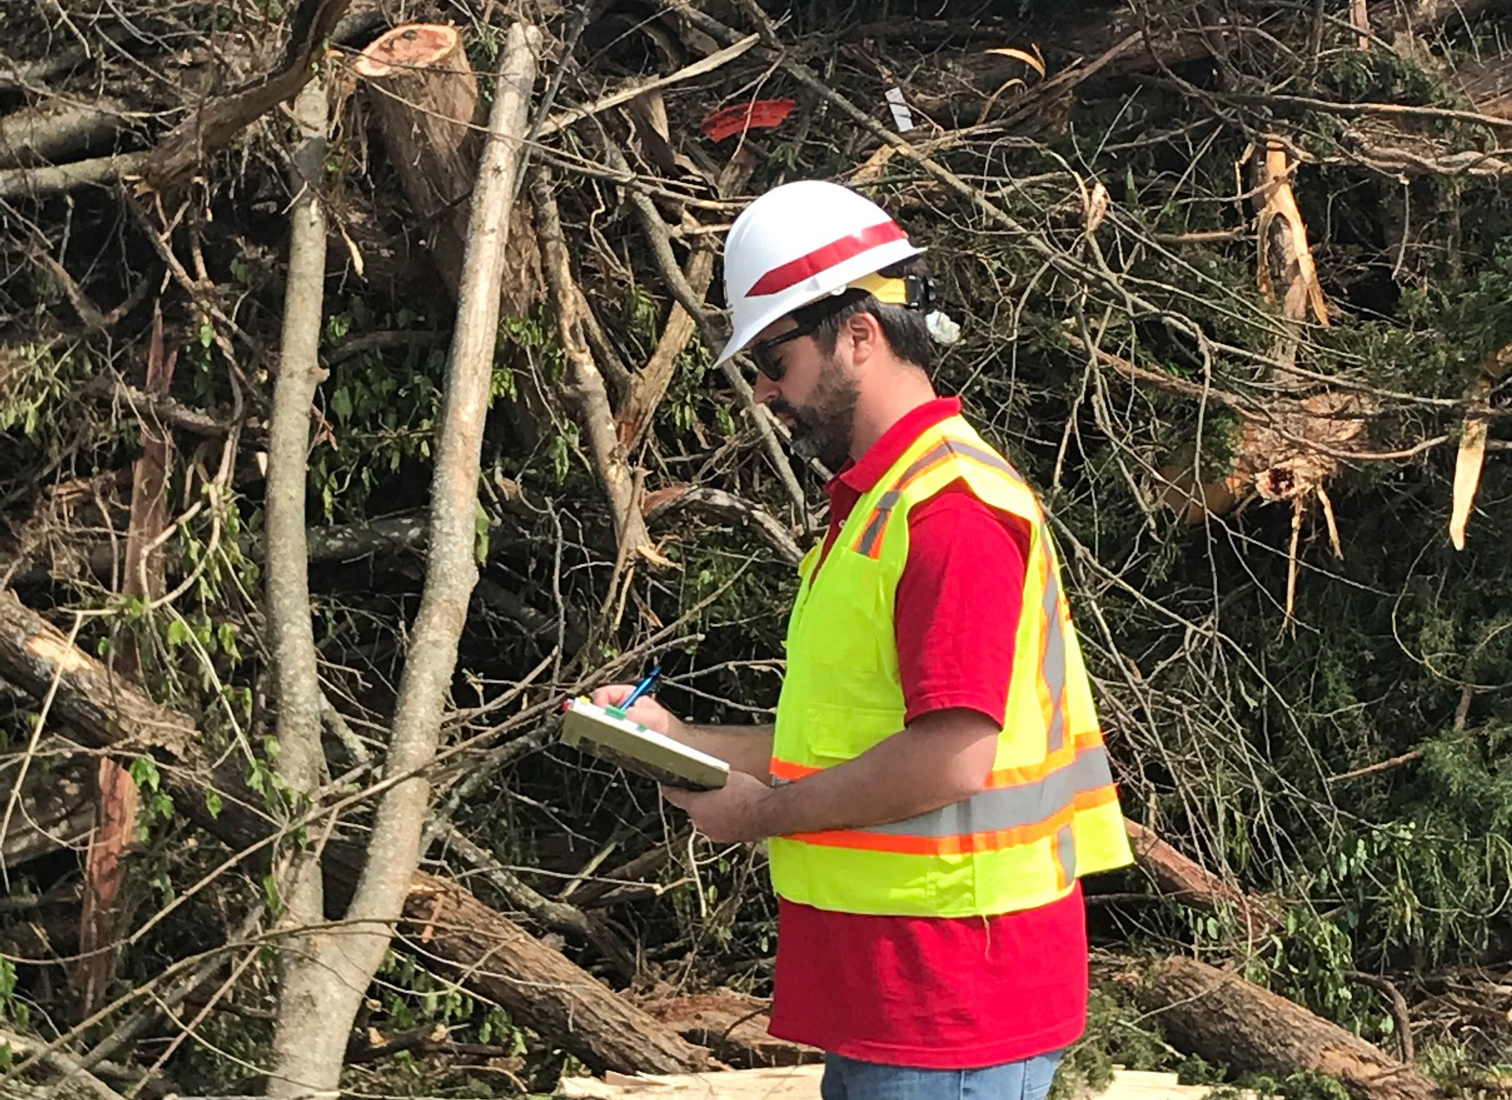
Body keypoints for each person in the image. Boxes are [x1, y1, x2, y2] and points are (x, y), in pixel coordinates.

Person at [593, 180, 1134, 1100]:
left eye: (774, 358)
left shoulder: (949, 511)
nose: (764, 391)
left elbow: (951, 760)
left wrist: (758, 816)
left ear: (857, 334)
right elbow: (841, 742)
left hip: (951, 1003)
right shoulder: (881, 506)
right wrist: (681, 739)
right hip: (900, 995)